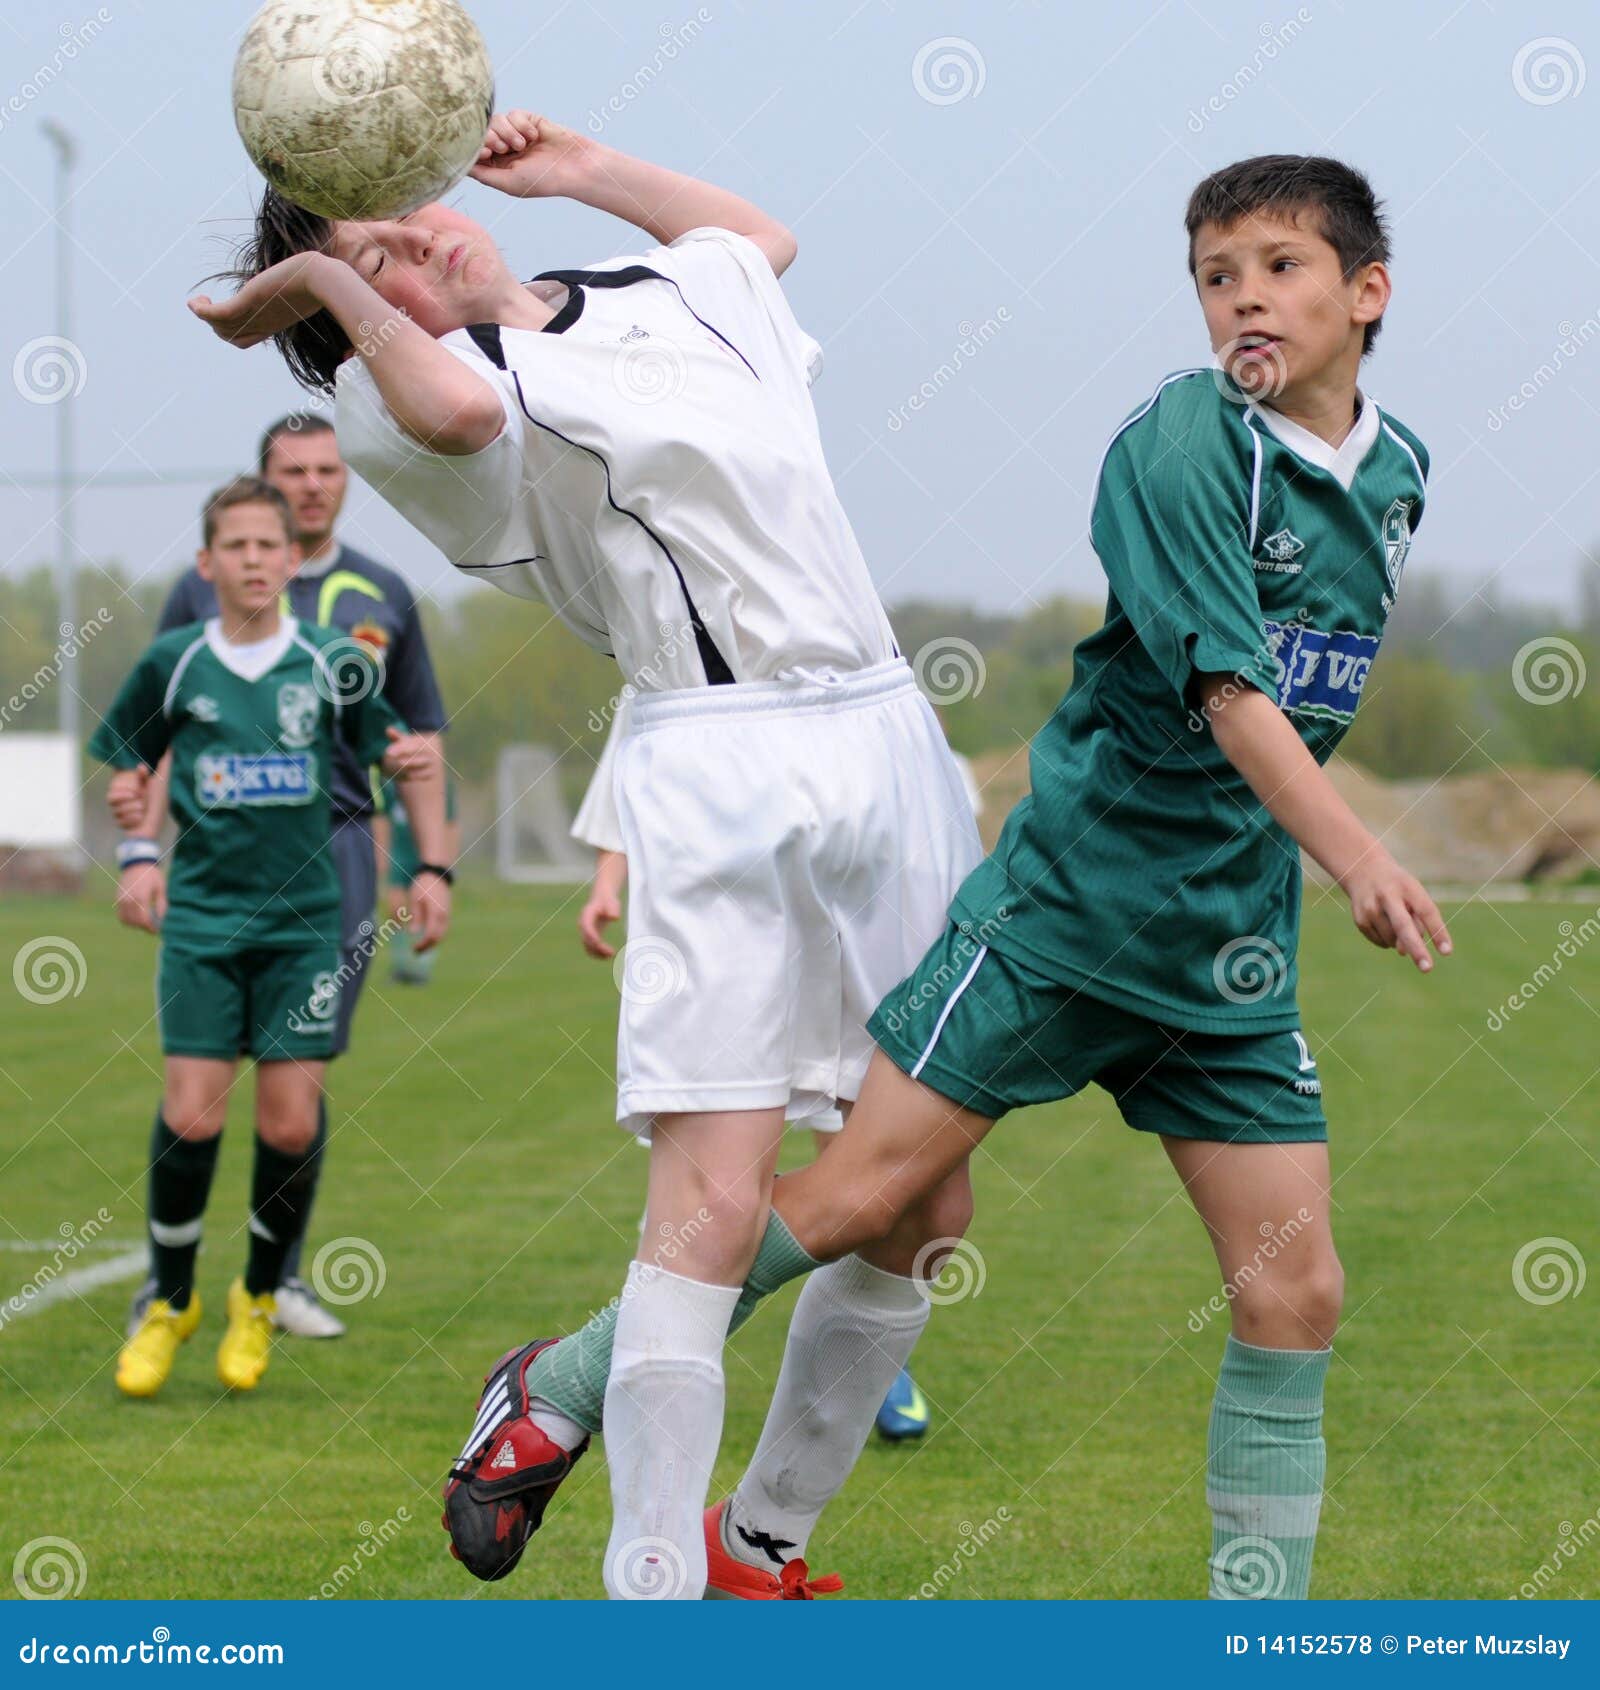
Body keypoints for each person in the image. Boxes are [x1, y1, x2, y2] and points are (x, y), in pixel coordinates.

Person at [437, 153, 1454, 1601]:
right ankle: (565, 1378)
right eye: (1215, 276)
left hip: (1226, 953)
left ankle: (1255, 1634)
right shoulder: (1179, 445)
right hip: (1065, 913)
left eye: (1279, 268)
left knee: (1298, 1289)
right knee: (862, 1201)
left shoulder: (1398, 468)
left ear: (1367, 293)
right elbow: (1233, 692)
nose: (1242, 299)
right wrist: (1356, 850)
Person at [187, 111, 982, 1598]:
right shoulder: (404, 397)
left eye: (400, 217)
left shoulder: (652, 284)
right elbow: (457, 418)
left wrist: (583, 170)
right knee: (716, 1194)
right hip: (717, 758)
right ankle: (649, 1600)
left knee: (926, 1194)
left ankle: (757, 1545)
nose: (409, 244)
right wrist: (332, 293)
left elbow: (759, 241)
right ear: (343, 321)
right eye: (366, 260)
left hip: (890, 740)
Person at [96, 476, 448, 1398]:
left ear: (292, 563)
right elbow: (133, 764)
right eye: (235, 546)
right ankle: (171, 1302)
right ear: (207, 563)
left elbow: (397, 746)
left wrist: (415, 791)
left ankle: (256, 1295)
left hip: (306, 926)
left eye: (269, 545)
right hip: (204, 921)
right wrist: (137, 843)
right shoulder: (174, 659)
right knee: (190, 1116)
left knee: (289, 1122)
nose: (253, 559)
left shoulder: (336, 661)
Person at [375, 771, 460, 984]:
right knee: (395, 907)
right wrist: (381, 857)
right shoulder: (388, 783)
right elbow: (381, 819)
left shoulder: (436, 782)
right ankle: (401, 965)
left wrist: (445, 862)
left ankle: (421, 968)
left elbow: (450, 823)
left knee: (423, 909)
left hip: (425, 854)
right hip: (398, 852)